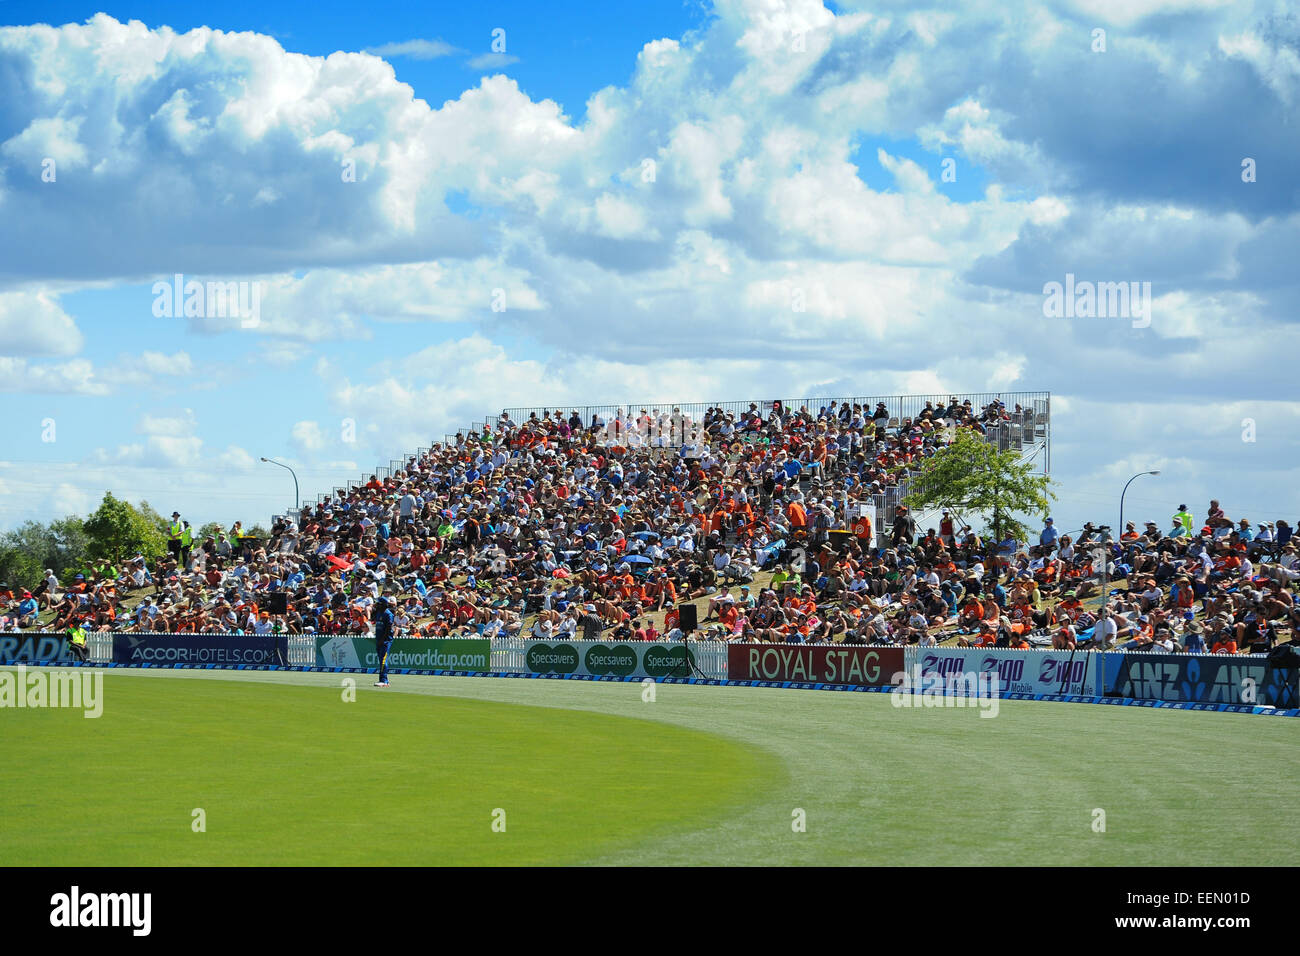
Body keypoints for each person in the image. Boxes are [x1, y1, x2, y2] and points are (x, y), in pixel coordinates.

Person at [372, 596, 395, 687]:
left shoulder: (388, 614)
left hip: (385, 641)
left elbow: (389, 628)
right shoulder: (379, 613)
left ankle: (384, 681)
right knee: (381, 660)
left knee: (383, 661)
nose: (376, 605)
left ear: (383, 605)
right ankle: (382, 679)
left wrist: (382, 639)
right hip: (379, 640)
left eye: (378, 604)